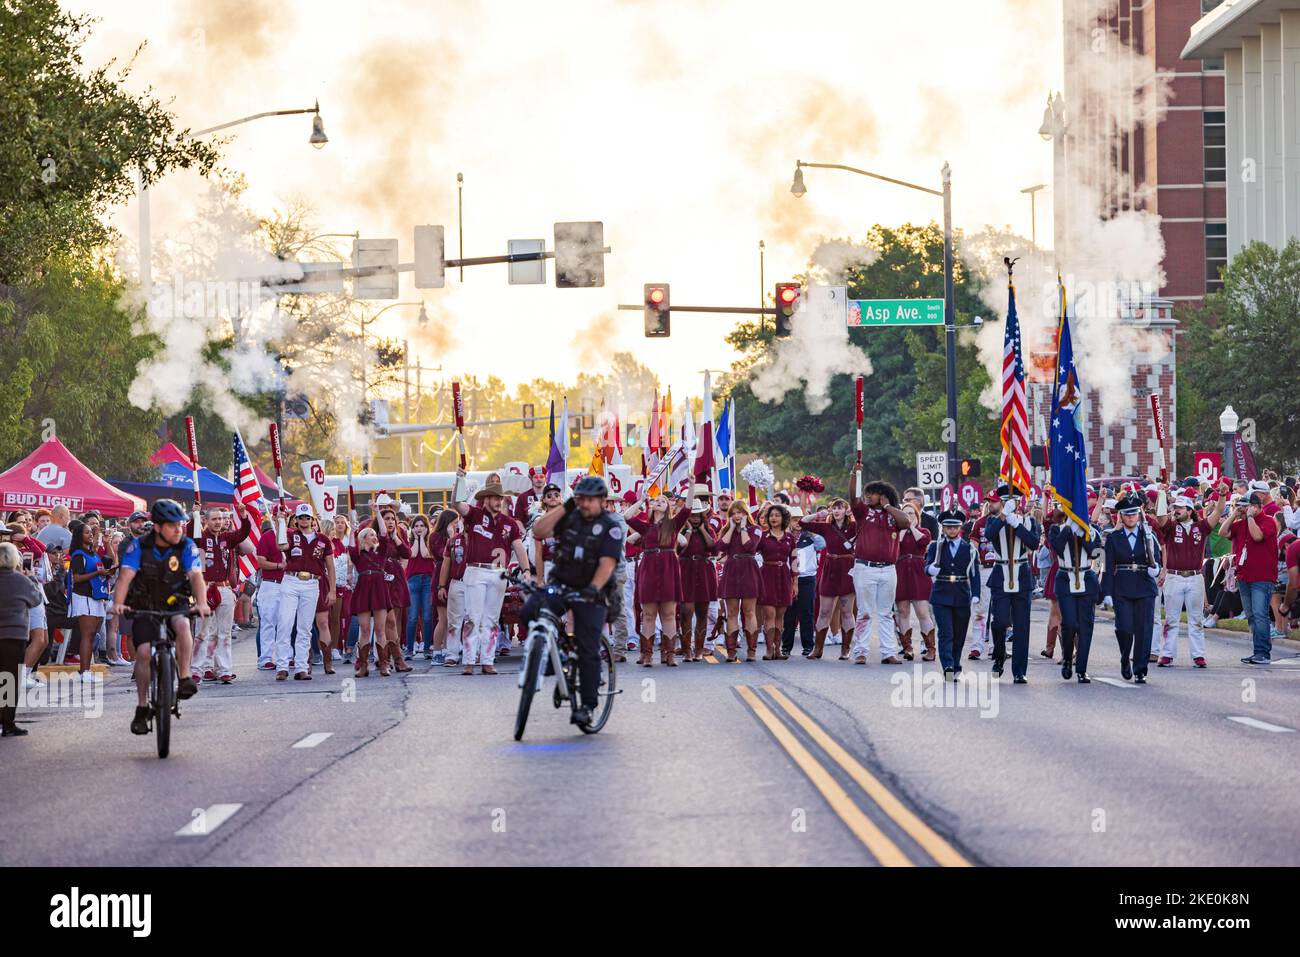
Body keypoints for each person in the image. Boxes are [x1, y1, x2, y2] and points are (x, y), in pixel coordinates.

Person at [524, 475, 623, 728]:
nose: (585, 504)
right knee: (529, 610)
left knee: (587, 646)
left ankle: (587, 707)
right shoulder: (570, 516)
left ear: (602, 501)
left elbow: (607, 563)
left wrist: (592, 589)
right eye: (581, 499)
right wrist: (566, 506)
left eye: (590, 500)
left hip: (593, 592)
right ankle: (555, 657)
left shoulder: (610, 527)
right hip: (561, 584)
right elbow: (538, 531)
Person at [112, 499, 210, 736]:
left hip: (174, 600)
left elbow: (196, 576)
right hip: (144, 603)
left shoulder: (186, 546)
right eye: (172, 525)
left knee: (183, 624)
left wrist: (202, 603)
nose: (179, 530)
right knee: (144, 652)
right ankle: (142, 706)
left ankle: (185, 676)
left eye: (180, 525)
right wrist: (118, 603)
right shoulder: (138, 547)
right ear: (157, 527)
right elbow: (125, 577)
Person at [450, 472, 531, 675]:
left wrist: (527, 569)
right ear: (486, 499)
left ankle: (487, 659)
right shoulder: (474, 514)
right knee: (473, 617)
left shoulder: (509, 523)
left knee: (492, 619)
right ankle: (469, 660)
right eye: (495, 497)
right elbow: (456, 503)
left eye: (500, 498)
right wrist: (459, 481)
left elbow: (519, 547)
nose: (498, 501)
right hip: (476, 569)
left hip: (498, 574)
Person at [847, 467, 913, 665]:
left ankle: (888, 652)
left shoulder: (893, 515)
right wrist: (854, 476)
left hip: (888, 569)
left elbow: (906, 522)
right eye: (866, 492)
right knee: (865, 612)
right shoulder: (863, 512)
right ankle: (860, 651)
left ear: (883, 496)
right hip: (865, 567)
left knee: (885, 612)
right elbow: (853, 497)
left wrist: (888, 507)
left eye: (872, 493)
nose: (867, 496)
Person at [1101, 493, 1163, 683]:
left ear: (1138, 515)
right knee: (1124, 628)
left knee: (1144, 630)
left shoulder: (1148, 535)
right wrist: (1107, 592)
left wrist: (1156, 569)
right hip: (1123, 588)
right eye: (1127, 515)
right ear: (1121, 516)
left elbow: (1157, 559)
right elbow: (1108, 566)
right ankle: (1124, 657)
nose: (1130, 518)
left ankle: (1140, 669)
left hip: (1144, 586)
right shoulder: (1114, 538)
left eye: (1134, 514)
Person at [1154, 492, 1221, 667]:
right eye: (1175, 507)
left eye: (1180, 508)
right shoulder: (1170, 526)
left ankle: (1198, 655)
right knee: (1171, 618)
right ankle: (1167, 654)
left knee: (1196, 619)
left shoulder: (1201, 527)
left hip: (1195, 576)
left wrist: (1222, 496)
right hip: (1174, 576)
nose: (1176, 510)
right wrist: (1162, 495)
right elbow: (1160, 518)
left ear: (1190, 510)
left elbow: (1217, 514)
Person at [626, 490, 692, 665]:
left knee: (669, 614)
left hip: (668, 568)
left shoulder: (673, 524)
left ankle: (669, 654)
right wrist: (641, 500)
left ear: (668, 506)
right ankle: (647, 654)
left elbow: (688, 509)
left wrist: (691, 485)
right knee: (648, 614)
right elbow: (626, 516)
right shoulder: (645, 526)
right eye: (656, 500)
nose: (659, 501)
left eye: (663, 500)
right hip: (649, 568)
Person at [983, 484, 1040, 683]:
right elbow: (989, 535)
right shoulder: (993, 521)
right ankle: (999, 656)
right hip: (1001, 573)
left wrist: (1017, 525)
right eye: (1006, 501)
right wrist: (1002, 517)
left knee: (1022, 626)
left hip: (1022, 573)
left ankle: (1019, 671)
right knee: (999, 622)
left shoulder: (1028, 521)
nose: (1010, 504)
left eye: (1013, 501)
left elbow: (1033, 543)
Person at [192, 501, 251, 684]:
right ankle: (198, 670)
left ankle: (224, 669)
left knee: (224, 632)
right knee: (203, 631)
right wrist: (194, 516)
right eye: (214, 519)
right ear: (206, 521)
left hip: (225, 588)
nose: (218, 522)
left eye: (220, 519)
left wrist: (243, 516)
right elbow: (189, 536)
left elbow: (243, 534)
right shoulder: (200, 537)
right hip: (206, 588)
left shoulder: (227, 538)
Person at [275, 504, 336, 681]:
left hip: (312, 582)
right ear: (295, 519)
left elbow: (330, 566)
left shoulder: (323, 539)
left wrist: (332, 590)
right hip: (291, 580)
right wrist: (280, 521)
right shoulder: (290, 535)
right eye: (300, 517)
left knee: (305, 627)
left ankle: (301, 667)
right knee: (285, 623)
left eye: (307, 517)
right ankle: (282, 666)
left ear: (312, 519)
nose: (304, 520)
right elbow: (281, 546)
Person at [1219, 490, 1279, 665]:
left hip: (1262, 577)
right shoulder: (1240, 523)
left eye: (1250, 506)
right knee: (1252, 615)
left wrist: (1251, 518)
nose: (1247, 510)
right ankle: (1257, 651)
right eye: (1245, 506)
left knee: (1261, 614)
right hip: (1244, 576)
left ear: (1258, 507)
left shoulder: (1268, 521)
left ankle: (1263, 653)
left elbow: (1257, 536)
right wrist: (1234, 515)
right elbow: (1222, 532)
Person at [924, 509, 980, 681]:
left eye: (955, 527)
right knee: (946, 633)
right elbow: (927, 566)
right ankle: (947, 666)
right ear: (943, 528)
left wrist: (975, 593)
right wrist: (930, 569)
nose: (952, 530)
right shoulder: (936, 546)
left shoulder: (969, 549)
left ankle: (956, 664)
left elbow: (974, 573)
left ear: (960, 527)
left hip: (961, 593)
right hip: (942, 593)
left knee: (959, 634)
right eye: (948, 527)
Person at [1049, 512, 1104, 683]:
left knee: (1085, 626)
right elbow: (1057, 548)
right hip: (1066, 579)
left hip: (1086, 579)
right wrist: (1068, 529)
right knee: (1070, 623)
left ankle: (1081, 669)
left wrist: (1084, 536)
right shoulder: (1056, 529)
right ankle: (1067, 657)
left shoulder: (1093, 530)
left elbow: (1097, 554)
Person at [799, 499, 856, 659]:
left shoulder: (853, 527)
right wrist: (818, 514)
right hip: (830, 568)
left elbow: (866, 526)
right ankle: (818, 649)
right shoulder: (826, 527)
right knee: (824, 611)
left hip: (847, 567)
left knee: (846, 611)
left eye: (840, 508)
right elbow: (803, 523)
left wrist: (855, 515)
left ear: (846, 510)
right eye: (834, 508)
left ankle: (845, 649)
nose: (837, 511)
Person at [0, 542, 44, 736]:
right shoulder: (21, 580)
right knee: (10, 680)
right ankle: (7, 723)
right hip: (14, 635)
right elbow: (36, 600)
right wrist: (32, 578)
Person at [347, 508, 393, 677]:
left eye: (374, 535)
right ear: (364, 538)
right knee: (365, 629)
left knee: (380, 630)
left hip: (380, 589)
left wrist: (377, 513)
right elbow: (351, 548)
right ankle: (363, 665)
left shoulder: (381, 552)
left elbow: (384, 534)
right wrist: (352, 530)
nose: (375, 537)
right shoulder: (358, 555)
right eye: (371, 535)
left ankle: (383, 664)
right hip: (363, 590)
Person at [67, 520, 112, 683]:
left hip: (97, 596)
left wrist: (107, 544)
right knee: (88, 634)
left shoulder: (93, 553)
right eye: (87, 532)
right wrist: (96, 573)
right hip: (84, 596)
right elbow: (76, 578)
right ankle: (84, 672)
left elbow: (112, 561)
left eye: (91, 532)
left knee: (93, 635)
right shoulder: (78, 555)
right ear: (79, 536)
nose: (90, 534)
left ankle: (87, 670)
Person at [716, 499, 761, 662]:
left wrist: (742, 528)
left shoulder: (755, 529)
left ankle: (751, 650)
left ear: (745, 513)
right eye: (733, 513)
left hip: (748, 568)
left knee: (749, 611)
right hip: (732, 569)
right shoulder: (727, 529)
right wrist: (731, 527)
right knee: (732, 612)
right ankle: (731, 651)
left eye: (739, 513)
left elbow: (750, 546)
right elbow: (720, 546)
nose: (736, 516)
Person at [894, 497, 935, 661]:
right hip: (901, 570)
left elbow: (923, 541)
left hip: (918, 571)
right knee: (902, 612)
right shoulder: (897, 532)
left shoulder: (924, 531)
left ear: (917, 516)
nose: (908, 516)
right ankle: (907, 647)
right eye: (905, 514)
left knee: (923, 612)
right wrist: (903, 528)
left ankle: (931, 648)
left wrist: (912, 526)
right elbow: (897, 543)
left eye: (911, 513)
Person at [677, 495, 717, 662]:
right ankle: (687, 649)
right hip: (685, 570)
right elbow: (679, 547)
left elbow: (713, 547)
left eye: (697, 515)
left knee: (702, 612)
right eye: (691, 515)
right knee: (686, 612)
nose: (694, 518)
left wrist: (701, 529)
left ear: (702, 516)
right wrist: (687, 530)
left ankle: (699, 649)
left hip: (703, 570)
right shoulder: (680, 531)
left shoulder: (708, 530)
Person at [755, 504, 797, 661]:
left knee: (780, 615)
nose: (773, 518)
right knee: (769, 614)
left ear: (783, 518)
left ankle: (777, 649)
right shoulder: (763, 537)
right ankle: (768, 649)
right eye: (771, 515)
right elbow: (751, 551)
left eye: (777, 515)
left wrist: (795, 582)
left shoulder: (789, 538)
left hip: (784, 576)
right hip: (767, 575)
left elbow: (794, 560)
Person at [781, 515, 822, 657]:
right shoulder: (785, 537)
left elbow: (822, 544)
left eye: (800, 520)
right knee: (789, 614)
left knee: (807, 613)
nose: (797, 523)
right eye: (794, 519)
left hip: (807, 578)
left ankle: (808, 646)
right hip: (790, 578)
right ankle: (786, 647)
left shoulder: (810, 537)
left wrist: (811, 530)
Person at [253, 513, 286, 670]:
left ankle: (285, 656)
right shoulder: (267, 537)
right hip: (270, 584)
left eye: (284, 516)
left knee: (286, 623)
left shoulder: (292, 536)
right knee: (268, 622)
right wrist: (279, 565)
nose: (281, 519)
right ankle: (265, 658)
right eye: (278, 516)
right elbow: (260, 562)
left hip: (288, 584)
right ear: (273, 518)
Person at [404, 513, 437, 659]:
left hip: (427, 580)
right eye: (416, 526)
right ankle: (410, 649)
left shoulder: (431, 541)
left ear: (426, 527)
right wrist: (417, 538)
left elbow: (424, 554)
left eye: (421, 526)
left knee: (427, 616)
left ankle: (426, 648)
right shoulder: (409, 541)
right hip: (413, 580)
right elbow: (413, 553)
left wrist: (423, 538)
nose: (418, 528)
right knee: (412, 617)